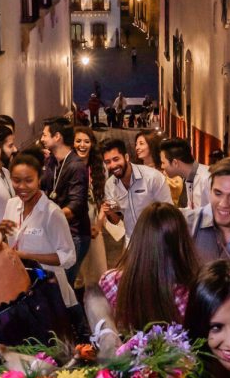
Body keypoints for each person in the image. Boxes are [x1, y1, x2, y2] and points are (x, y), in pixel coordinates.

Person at [97, 202, 200, 332]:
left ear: (139, 238)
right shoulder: (190, 294)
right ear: (182, 243)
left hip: (123, 351)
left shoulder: (110, 282)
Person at [0, 150, 78, 310]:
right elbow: (9, 243)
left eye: (29, 180)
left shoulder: (52, 213)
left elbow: (69, 257)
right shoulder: (11, 205)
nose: (22, 187)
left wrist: (27, 256)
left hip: (51, 290)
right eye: (16, 180)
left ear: (39, 179)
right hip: (22, 286)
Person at [39, 116, 91, 284]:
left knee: (63, 288)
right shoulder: (52, 161)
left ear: (57, 137)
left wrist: (48, 219)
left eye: (45, 134)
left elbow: (76, 205)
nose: (41, 139)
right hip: (57, 233)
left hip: (74, 235)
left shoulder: (76, 166)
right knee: (55, 287)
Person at [100, 136, 172, 239]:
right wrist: (110, 212)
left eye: (116, 159)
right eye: (108, 162)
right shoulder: (110, 185)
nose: (113, 165)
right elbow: (116, 220)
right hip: (131, 241)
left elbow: (169, 214)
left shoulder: (153, 177)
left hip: (156, 239)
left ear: (126, 157)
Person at [72, 125, 109, 288]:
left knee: (97, 273)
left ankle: (97, 312)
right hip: (72, 228)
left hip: (94, 227)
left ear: (92, 144)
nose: (82, 145)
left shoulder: (99, 168)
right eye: (78, 141)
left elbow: (105, 201)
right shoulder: (67, 167)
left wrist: (98, 225)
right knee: (75, 276)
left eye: (86, 141)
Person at [161, 137, 210, 210]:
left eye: (163, 162)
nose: (162, 166)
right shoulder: (189, 177)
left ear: (175, 163)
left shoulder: (206, 178)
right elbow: (192, 209)